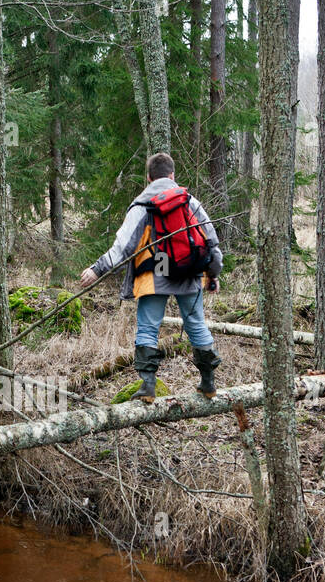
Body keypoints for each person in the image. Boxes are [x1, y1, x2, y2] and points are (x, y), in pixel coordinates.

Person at [79, 152, 224, 402]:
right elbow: (211, 242)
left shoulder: (143, 203)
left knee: (148, 326)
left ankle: (148, 387)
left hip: (157, 267)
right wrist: (212, 274)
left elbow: (123, 246)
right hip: (190, 268)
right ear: (172, 175)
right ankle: (208, 384)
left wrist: (97, 269)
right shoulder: (190, 201)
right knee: (197, 325)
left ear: (148, 178)